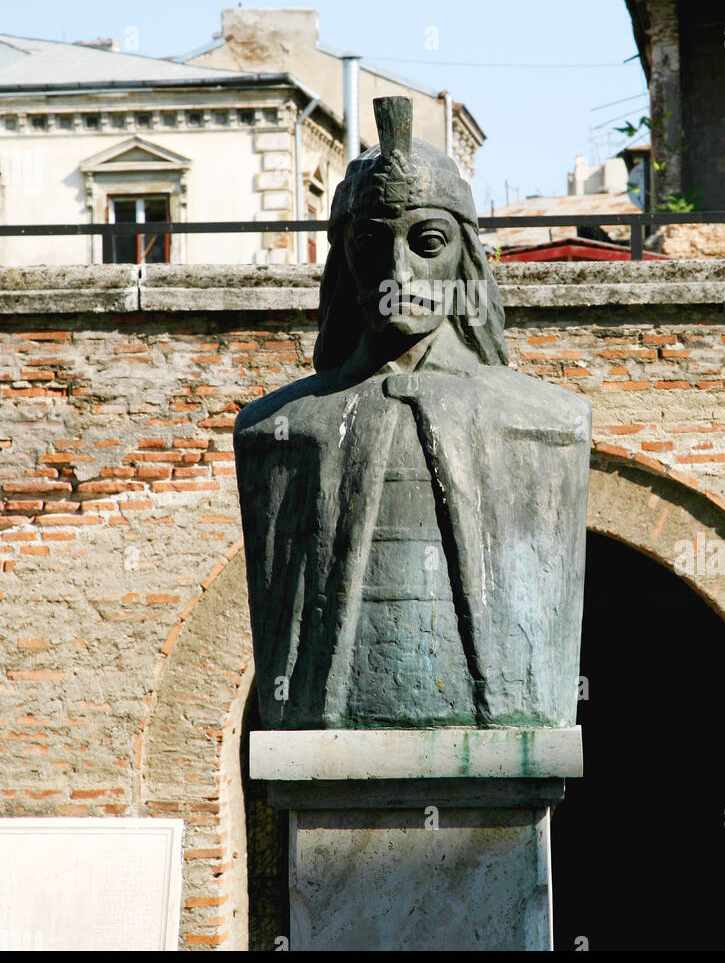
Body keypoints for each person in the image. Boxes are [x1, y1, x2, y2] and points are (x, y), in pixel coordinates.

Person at [235, 97, 590, 731]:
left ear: (465, 257)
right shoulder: (278, 431)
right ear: (344, 261)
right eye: (371, 244)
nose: (398, 273)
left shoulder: (547, 426)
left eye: (427, 242)